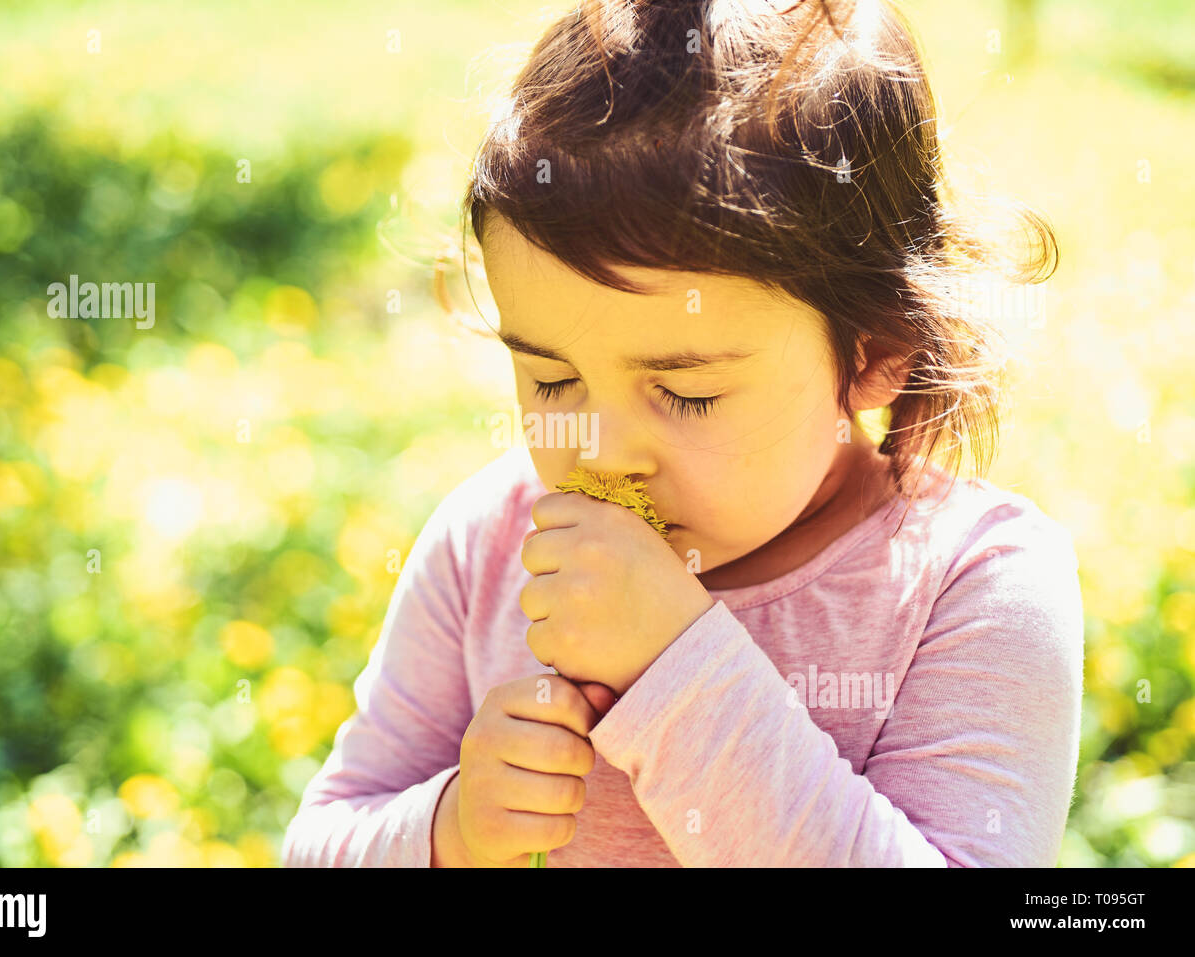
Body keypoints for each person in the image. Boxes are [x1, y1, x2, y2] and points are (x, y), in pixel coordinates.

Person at [283, 0, 1081, 867]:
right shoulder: (490, 541)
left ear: (876, 353)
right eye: (553, 378)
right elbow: (321, 839)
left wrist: (676, 667)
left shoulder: (972, 585)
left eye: (686, 393)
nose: (602, 449)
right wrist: (448, 827)